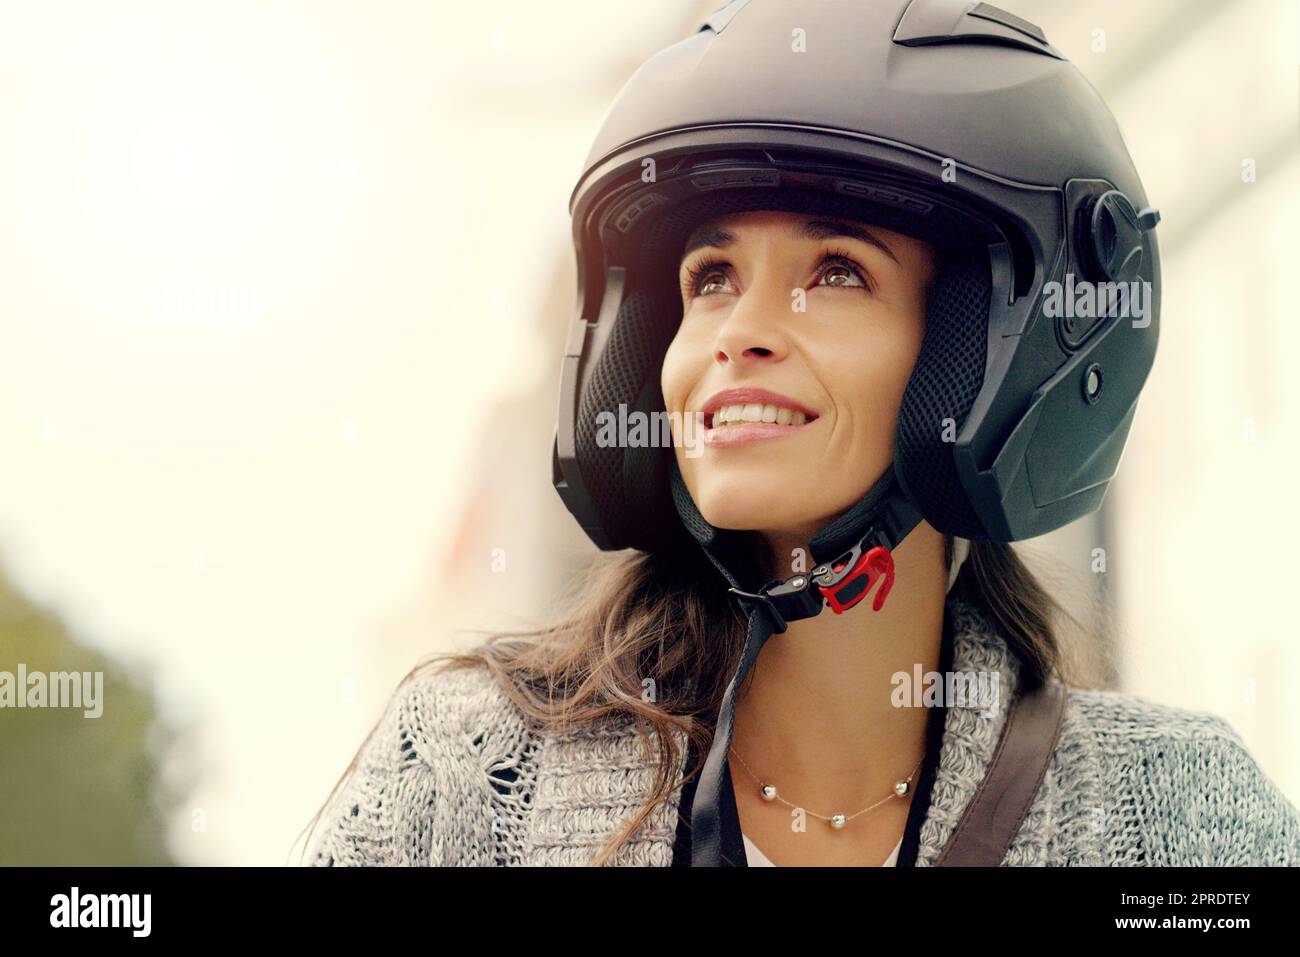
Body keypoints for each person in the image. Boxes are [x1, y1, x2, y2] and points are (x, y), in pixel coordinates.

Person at [304, 0, 1300, 867]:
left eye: (835, 273)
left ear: (992, 348)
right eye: (709, 280)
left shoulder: (1176, 814)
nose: (738, 335)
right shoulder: (463, 781)